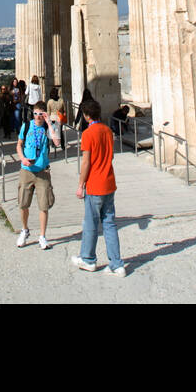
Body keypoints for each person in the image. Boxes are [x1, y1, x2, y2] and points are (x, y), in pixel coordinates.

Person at [71, 97, 124, 276]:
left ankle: (88, 259)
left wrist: (80, 185)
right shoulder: (108, 131)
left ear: (86, 116)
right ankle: (117, 264)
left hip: (95, 185)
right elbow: (111, 156)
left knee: (91, 223)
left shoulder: (88, 134)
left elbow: (86, 162)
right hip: (109, 182)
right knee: (109, 224)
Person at [15, 101, 60, 250]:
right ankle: (25, 229)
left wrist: (49, 123)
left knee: (43, 205)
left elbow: (57, 142)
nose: (38, 116)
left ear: (44, 114)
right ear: (32, 113)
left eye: (41, 113)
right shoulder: (26, 126)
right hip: (26, 169)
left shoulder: (49, 126)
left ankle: (42, 236)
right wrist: (22, 158)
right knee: (23, 203)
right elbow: (19, 144)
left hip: (42, 171)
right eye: (35, 113)